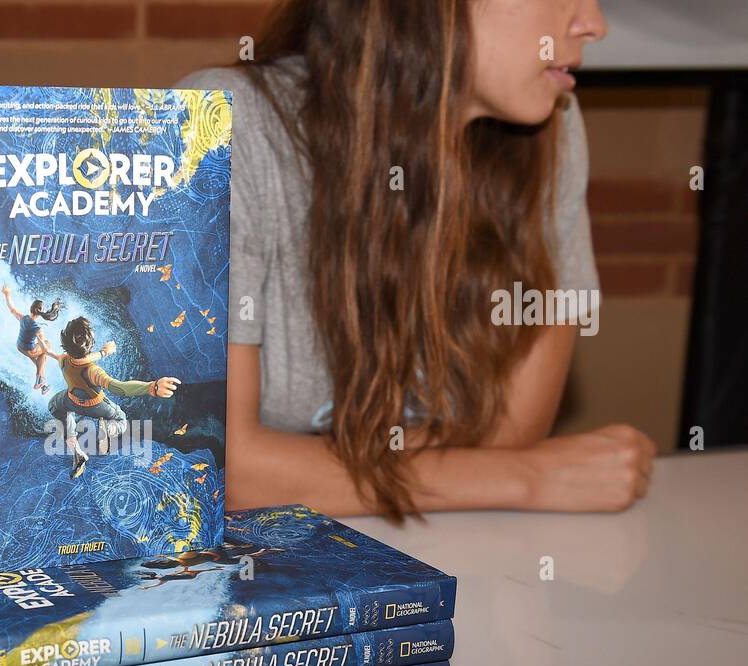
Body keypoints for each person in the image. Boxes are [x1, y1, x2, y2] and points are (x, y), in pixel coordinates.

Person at [178, 0, 656, 521]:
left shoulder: (554, 122)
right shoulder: (222, 120)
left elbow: (512, 431)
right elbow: (223, 468)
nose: (595, 24)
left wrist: (303, 469)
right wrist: (528, 477)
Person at [47, 316, 180, 478]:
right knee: (121, 419)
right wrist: (151, 386)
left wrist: (103, 353)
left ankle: (77, 451)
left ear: (66, 344)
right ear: (89, 344)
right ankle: (111, 428)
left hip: (71, 401)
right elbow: (119, 388)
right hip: (95, 406)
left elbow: (77, 359)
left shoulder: (64, 360)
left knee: (54, 406)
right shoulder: (93, 371)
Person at [1, 284, 62, 394]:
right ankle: (38, 378)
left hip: (20, 346)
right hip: (29, 350)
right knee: (46, 347)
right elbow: (43, 347)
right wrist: (59, 357)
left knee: (39, 359)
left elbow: (12, 308)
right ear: (40, 311)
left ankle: (43, 383)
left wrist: (7, 294)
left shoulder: (23, 318)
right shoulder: (38, 328)